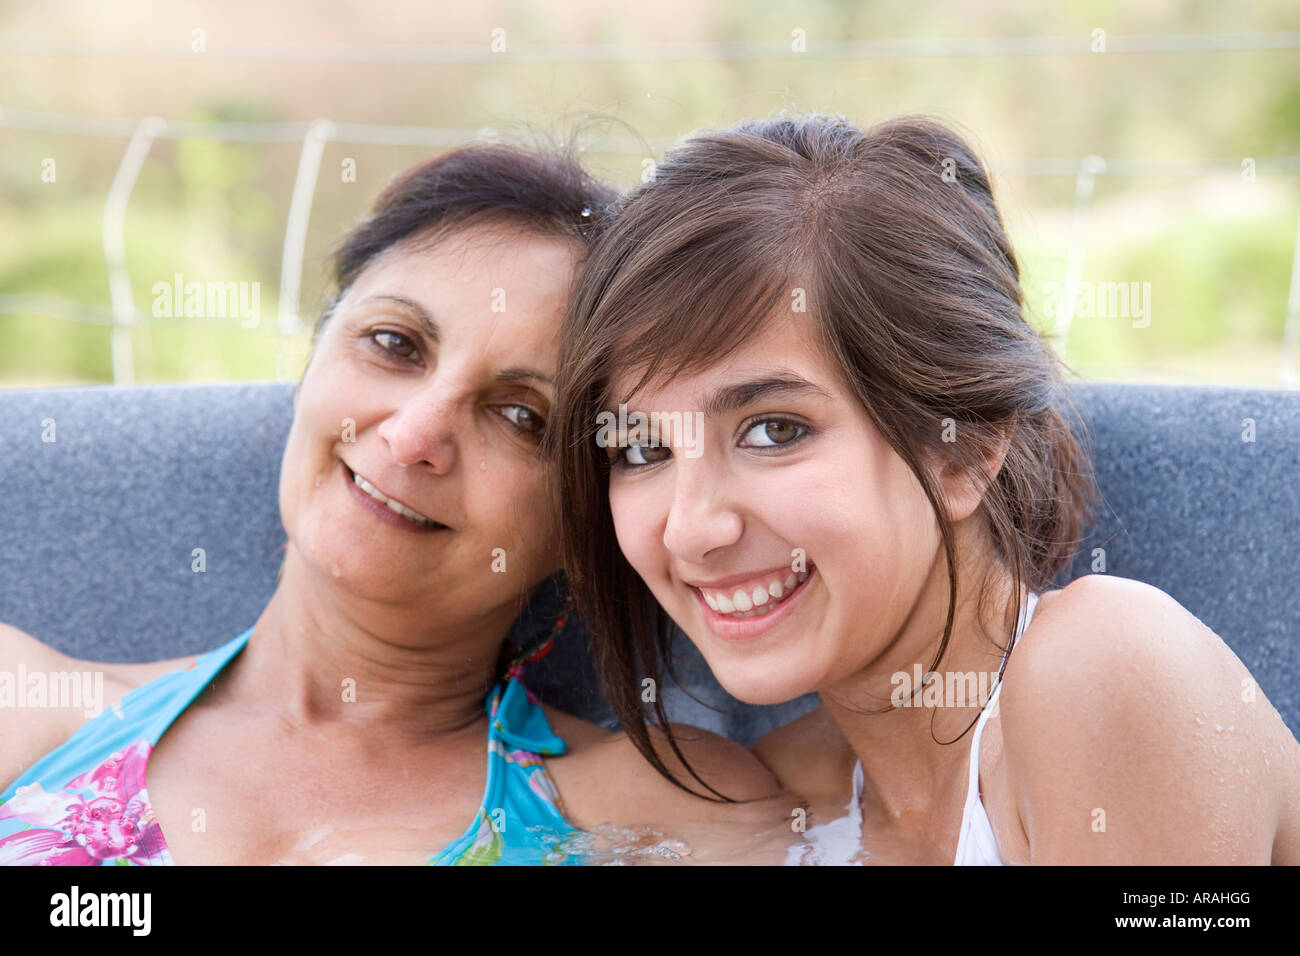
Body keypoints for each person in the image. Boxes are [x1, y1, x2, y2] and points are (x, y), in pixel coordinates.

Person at [0, 137, 785, 866]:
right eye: (395, 344)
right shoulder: (27, 705)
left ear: (587, 520)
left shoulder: (661, 808)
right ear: (313, 361)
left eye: (521, 417)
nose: (415, 436)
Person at [551, 112, 1300, 864]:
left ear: (966, 448)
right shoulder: (779, 801)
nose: (689, 528)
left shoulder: (1107, 671)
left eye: (774, 430)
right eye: (641, 448)